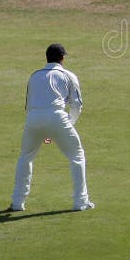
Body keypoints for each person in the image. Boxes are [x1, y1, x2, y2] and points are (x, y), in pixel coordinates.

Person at [10, 44, 94, 212]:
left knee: (25, 157)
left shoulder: (34, 76)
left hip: (33, 119)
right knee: (77, 156)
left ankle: (18, 203)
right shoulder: (69, 75)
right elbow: (77, 105)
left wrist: (45, 130)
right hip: (57, 117)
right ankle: (80, 202)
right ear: (62, 58)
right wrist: (64, 127)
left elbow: (28, 105)